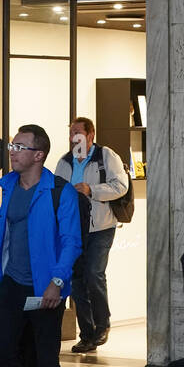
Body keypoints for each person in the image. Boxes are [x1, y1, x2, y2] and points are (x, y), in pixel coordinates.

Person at [0, 124, 82, 367]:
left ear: (38, 155)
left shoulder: (60, 192)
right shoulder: (9, 187)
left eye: (20, 146)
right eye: (13, 145)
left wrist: (57, 283)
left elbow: (71, 242)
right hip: (11, 285)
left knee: (46, 362)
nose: (12, 151)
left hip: (47, 290)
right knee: (2, 351)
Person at [54, 116, 129, 353]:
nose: (73, 136)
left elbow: (121, 186)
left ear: (90, 135)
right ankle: (86, 334)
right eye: (71, 132)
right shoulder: (64, 162)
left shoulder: (106, 156)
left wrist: (91, 190)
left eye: (78, 132)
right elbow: (55, 192)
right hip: (73, 229)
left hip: (100, 226)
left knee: (93, 273)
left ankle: (102, 324)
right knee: (77, 280)